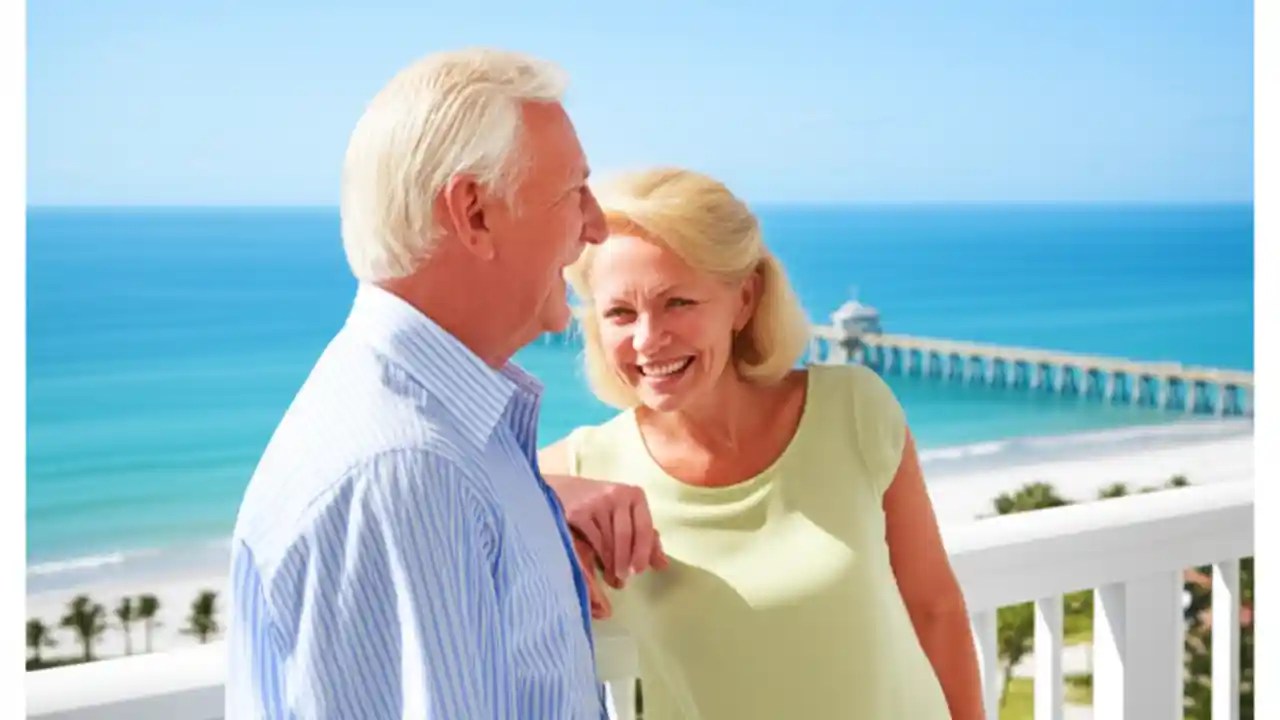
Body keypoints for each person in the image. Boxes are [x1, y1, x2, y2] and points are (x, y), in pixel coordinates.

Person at [225, 48, 645, 719]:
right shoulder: (410, 473)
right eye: (574, 193)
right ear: (474, 214)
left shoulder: (435, 446)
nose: (595, 225)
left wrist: (529, 510)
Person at [539, 167, 986, 719]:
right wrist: (548, 496)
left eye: (678, 302)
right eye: (620, 313)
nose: (649, 339)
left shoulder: (853, 411)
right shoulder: (589, 466)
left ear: (744, 300)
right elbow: (447, 502)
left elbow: (934, 606)